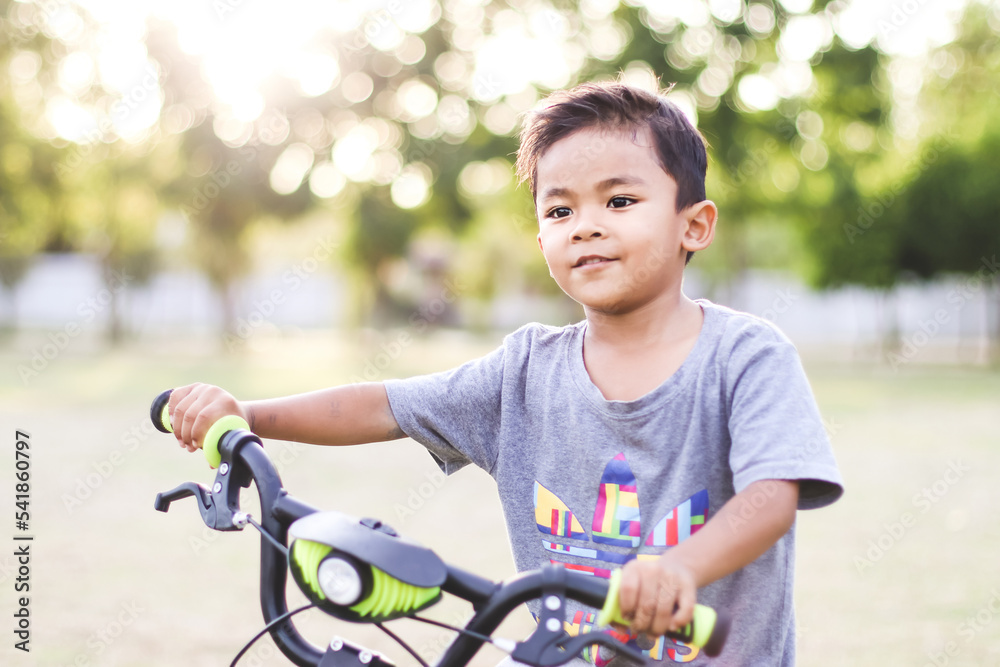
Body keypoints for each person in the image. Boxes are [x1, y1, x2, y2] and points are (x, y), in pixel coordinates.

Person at [167, 78, 843, 665]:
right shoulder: (523, 371)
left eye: (619, 202)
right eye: (560, 209)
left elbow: (771, 496)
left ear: (694, 225)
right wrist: (249, 414)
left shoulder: (746, 356)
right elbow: (384, 405)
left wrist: (678, 569)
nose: (585, 225)